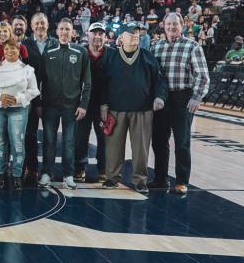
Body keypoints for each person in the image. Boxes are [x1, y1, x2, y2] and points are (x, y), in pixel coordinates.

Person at [100, 23, 167, 193]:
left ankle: (140, 180)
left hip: (142, 109)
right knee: (113, 147)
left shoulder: (148, 57)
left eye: (137, 32)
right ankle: (112, 178)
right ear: (121, 37)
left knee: (141, 148)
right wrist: (104, 105)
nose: (135, 35)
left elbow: (160, 81)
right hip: (116, 109)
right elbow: (103, 84)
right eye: (131, 33)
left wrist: (159, 97)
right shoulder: (110, 57)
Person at [150, 12, 211, 195]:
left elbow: (203, 76)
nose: (171, 27)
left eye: (175, 24)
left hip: (183, 97)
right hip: (161, 97)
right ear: (163, 25)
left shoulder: (192, 46)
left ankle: (182, 181)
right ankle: (160, 179)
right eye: (168, 24)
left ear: (182, 25)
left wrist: (197, 97)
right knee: (159, 141)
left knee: (182, 142)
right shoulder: (156, 46)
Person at [38, 18, 92, 189]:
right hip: (50, 106)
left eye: (67, 29)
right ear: (56, 31)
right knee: (49, 140)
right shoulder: (48, 51)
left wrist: (83, 104)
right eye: (61, 29)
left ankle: (68, 175)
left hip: (71, 106)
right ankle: (46, 172)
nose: (64, 32)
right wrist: (39, 103)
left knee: (69, 142)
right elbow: (39, 80)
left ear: (73, 32)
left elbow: (87, 82)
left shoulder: (80, 52)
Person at [0, 40, 40, 190]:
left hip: (18, 109)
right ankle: (1, 174)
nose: (9, 51)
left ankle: (16, 176)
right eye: (6, 49)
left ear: (19, 50)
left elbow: (33, 90)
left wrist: (17, 99)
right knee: (0, 142)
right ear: (3, 51)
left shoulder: (27, 69)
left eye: (13, 48)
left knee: (18, 143)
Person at [22, 13, 57, 184]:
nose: (40, 26)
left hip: (52, 99)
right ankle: (32, 169)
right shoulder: (25, 45)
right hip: (31, 98)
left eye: (42, 23)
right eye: (36, 23)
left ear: (48, 24)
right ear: (31, 25)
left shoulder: (56, 43)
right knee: (29, 134)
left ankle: (47, 171)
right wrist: (35, 102)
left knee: (50, 137)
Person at [76, 22, 108, 183]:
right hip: (83, 103)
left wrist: (107, 104)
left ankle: (103, 169)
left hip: (104, 105)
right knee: (80, 137)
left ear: (106, 37)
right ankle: (79, 168)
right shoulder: (80, 53)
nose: (97, 36)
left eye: (100, 33)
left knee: (104, 139)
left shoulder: (112, 54)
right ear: (87, 35)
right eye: (94, 33)